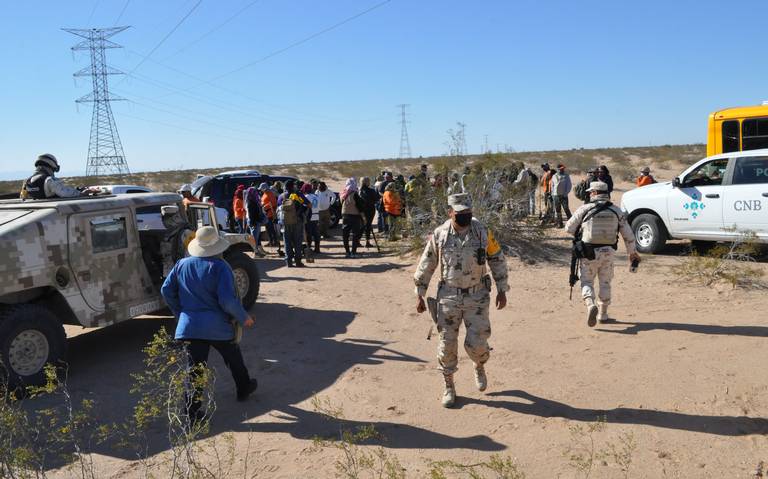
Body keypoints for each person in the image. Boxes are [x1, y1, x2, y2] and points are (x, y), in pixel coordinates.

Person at [414, 193, 509, 408]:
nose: (465, 216)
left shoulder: (482, 232)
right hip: (448, 296)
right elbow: (427, 263)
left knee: (478, 343)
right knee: (447, 344)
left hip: (477, 296)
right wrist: (420, 293)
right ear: (450, 212)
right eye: (460, 213)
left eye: (468, 212)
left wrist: (502, 289)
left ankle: (479, 364)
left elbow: (497, 259)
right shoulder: (440, 235)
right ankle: (449, 386)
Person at [160, 226, 258, 421]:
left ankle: (192, 413)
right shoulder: (220, 266)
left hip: (189, 326)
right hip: (217, 326)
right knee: (233, 358)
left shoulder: (181, 264)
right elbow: (227, 301)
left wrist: (180, 312)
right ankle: (243, 388)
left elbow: (166, 290)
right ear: (217, 246)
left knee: (194, 370)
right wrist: (243, 317)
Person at [565, 182, 640, 327]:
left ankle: (590, 304)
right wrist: (632, 253)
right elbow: (628, 235)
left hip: (588, 252)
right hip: (608, 252)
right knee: (605, 282)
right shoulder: (616, 211)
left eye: (590, 192)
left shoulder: (585, 209)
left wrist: (581, 229)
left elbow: (569, 228)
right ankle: (603, 314)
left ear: (594, 193)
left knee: (587, 281)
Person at [20, 153, 96, 199]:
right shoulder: (49, 180)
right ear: (51, 165)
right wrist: (82, 193)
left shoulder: (27, 181)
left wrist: (76, 189)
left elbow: (23, 197)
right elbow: (64, 193)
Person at [278, 180, 306, 267]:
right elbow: (308, 204)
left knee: (287, 242)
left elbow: (279, 208)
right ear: (293, 186)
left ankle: (288, 262)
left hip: (285, 222)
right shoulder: (298, 195)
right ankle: (298, 261)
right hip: (297, 221)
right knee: (298, 241)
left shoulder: (281, 196)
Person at [340, 177, 365, 258]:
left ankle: (347, 252)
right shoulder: (355, 194)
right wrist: (363, 217)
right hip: (354, 216)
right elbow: (360, 207)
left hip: (345, 215)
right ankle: (353, 252)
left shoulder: (343, 194)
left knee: (345, 234)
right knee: (355, 234)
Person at [245, 184, 267, 256]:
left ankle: (257, 252)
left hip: (255, 221)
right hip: (254, 222)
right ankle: (256, 253)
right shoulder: (251, 202)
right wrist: (253, 222)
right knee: (254, 238)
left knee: (256, 238)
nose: (256, 193)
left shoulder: (252, 201)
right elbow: (251, 214)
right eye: (254, 192)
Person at [260, 182, 281, 254]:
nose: (261, 190)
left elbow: (273, 204)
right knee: (268, 229)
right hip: (266, 214)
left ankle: (274, 241)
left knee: (271, 228)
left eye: (262, 189)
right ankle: (271, 241)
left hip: (270, 214)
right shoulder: (264, 194)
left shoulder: (270, 194)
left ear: (264, 188)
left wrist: (265, 207)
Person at [359, 176, 380, 248]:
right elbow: (376, 199)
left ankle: (358, 241)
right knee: (368, 225)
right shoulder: (371, 190)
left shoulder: (359, 191)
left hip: (361, 210)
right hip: (370, 210)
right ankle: (367, 242)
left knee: (362, 225)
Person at [550, 164, 573, 228]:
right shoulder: (554, 176)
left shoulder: (566, 176)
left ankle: (572, 223)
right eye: (561, 169)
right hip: (555, 195)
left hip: (564, 196)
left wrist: (566, 193)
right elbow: (552, 185)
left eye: (563, 169)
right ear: (558, 169)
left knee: (566, 209)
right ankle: (560, 223)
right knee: (558, 210)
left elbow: (569, 186)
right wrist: (552, 193)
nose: (562, 170)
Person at [301, 183, 321, 255]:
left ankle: (309, 248)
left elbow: (303, 208)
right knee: (316, 233)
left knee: (308, 233)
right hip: (316, 216)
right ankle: (317, 248)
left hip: (309, 217)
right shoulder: (316, 196)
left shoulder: (305, 197)